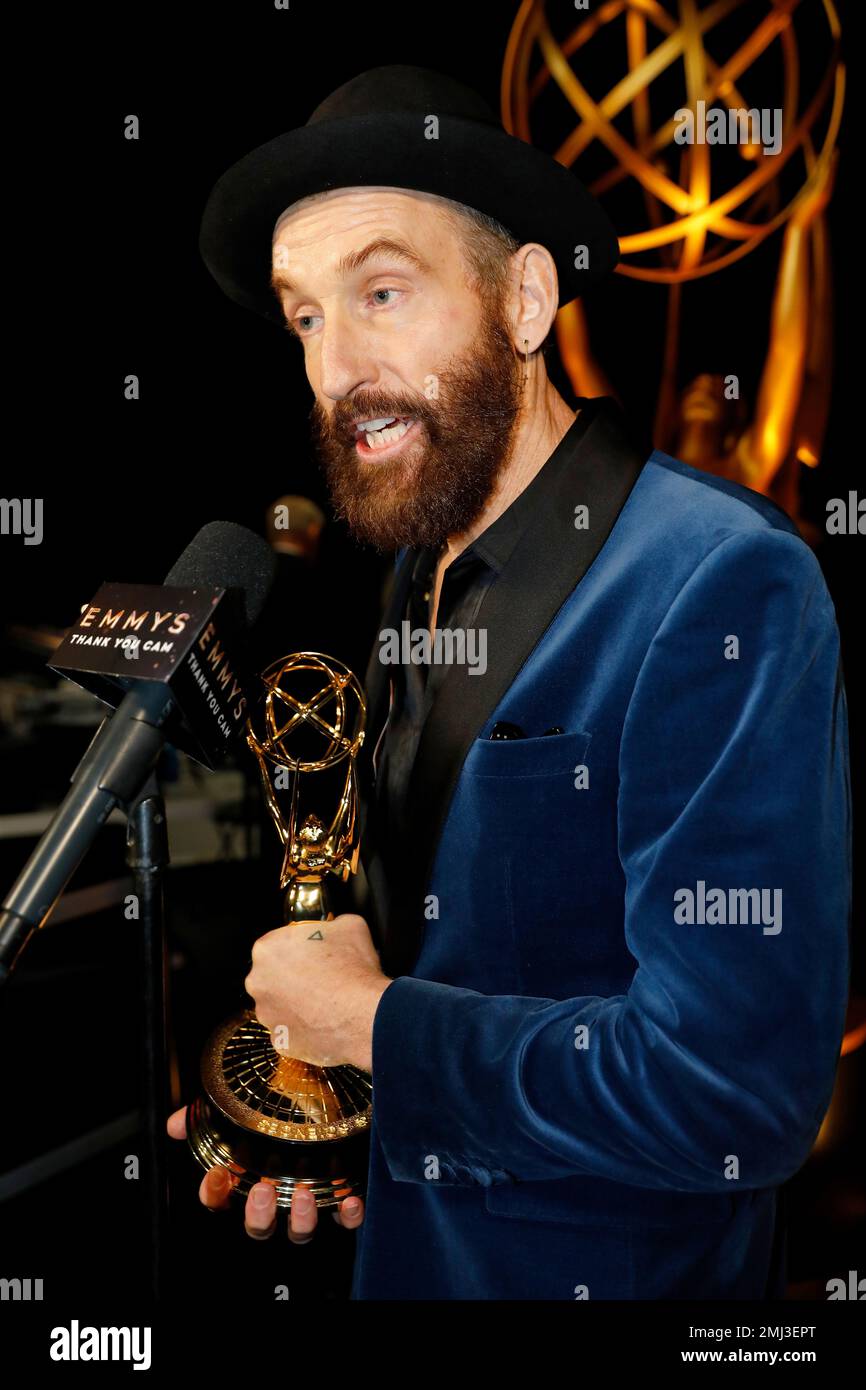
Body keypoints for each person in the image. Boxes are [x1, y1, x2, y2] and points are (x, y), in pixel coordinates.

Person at [168, 65, 851, 1298]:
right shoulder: (416, 566)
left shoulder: (719, 579)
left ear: (525, 299)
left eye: (382, 291)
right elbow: (461, 956)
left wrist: (373, 1028)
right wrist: (325, 1104)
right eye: (306, 318)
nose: (333, 372)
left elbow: (733, 1096)